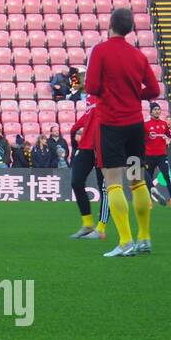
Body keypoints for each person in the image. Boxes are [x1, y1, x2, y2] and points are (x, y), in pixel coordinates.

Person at [84, 7, 161, 258]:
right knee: (137, 180)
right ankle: (145, 237)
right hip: (135, 128)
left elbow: (92, 86)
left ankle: (126, 241)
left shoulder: (101, 51)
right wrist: (133, 94)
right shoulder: (138, 55)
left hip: (111, 126)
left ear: (110, 24)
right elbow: (154, 90)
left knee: (113, 182)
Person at [68, 99, 109, 239]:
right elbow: (85, 118)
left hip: (103, 146)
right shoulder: (91, 96)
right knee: (76, 182)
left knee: (104, 188)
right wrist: (75, 138)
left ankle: (101, 228)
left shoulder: (108, 91)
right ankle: (87, 224)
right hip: (86, 146)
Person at [143, 102, 171, 207]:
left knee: (167, 176)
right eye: (155, 109)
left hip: (162, 155)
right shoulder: (146, 124)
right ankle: (149, 201)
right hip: (149, 156)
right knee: (149, 178)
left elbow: (169, 134)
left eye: (159, 109)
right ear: (151, 111)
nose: (157, 111)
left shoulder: (164, 123)